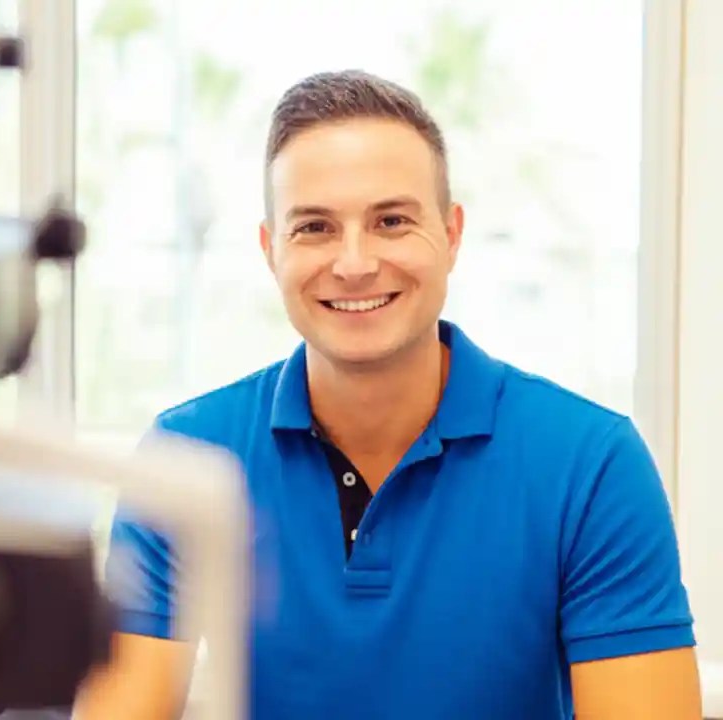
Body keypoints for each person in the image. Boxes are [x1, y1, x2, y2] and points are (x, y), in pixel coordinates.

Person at [72, 70, 702, 719]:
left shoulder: (592, 464)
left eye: (392, 221)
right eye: (314, 227)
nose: (353, 263)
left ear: (452, 235)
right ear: (270, 250)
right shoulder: (185, 460)